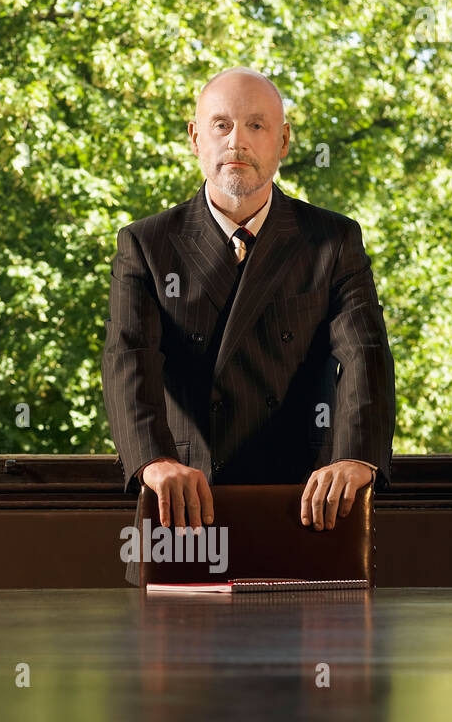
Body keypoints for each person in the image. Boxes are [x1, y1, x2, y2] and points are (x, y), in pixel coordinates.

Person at [101, 66, 396, 585]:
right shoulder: (146, 245)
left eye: (257, 126)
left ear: (283, 141)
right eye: (221, 125)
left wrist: (355, 458)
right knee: (179, 660)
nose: (237, 141)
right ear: (196, 138)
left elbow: (366, 353)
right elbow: (128, 359)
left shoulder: (332, 240)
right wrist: (153, 462)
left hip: (308, 506)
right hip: (188, 508)